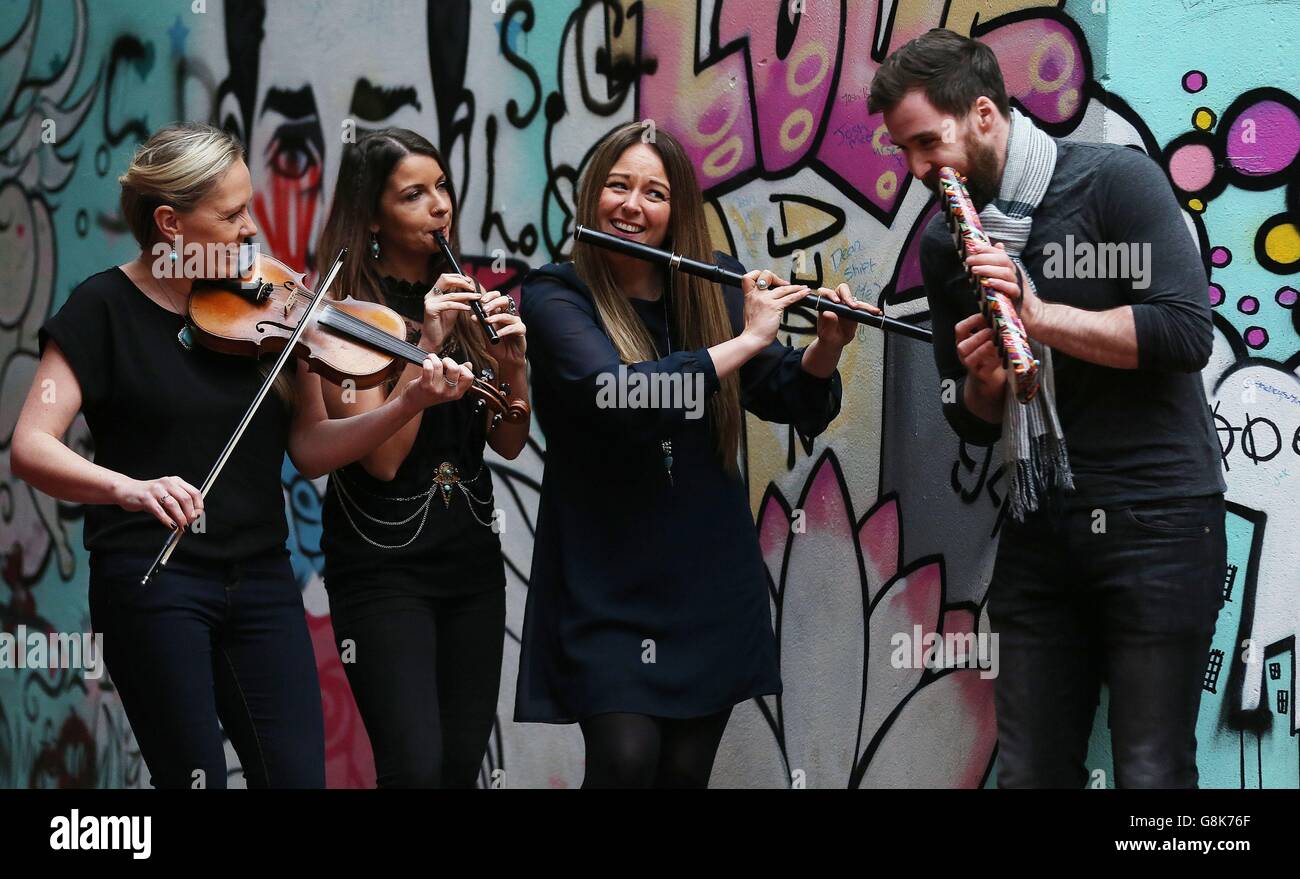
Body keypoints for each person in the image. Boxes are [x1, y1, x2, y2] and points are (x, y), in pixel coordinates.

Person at [10, 122, 471, 789]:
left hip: (260, 579)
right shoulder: (102, 309)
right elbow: (30, 446)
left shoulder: (274, 311)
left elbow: (311, 449)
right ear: (170, 222)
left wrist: (406, 404)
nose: (250, 230)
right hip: (154, 579)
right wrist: (129, 488)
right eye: (230, 215)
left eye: (249, 208)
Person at [871, 29, 1226, 787]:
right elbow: (967, 418)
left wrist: (1038, 315)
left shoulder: (1111, 183)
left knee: (1153, 771)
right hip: (1039, 526)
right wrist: (984, 382)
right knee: (1029, 772)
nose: (919, 170)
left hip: (1157, 516)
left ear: (985, 115)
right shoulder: (946, 247)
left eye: (929, 143)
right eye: (903, 152)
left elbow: (1184, 329)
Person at [514, 121, 875, 788]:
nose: (631, 205)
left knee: (682, 772)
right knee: (624, 759)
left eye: (654, 193)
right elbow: (614, 393)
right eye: (618, 185)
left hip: (705, 581)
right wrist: (743, 341)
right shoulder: (555, 294)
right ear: (593, 192)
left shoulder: (712, 285)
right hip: (605, 584)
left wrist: (827, 344)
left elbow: (791, 395)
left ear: (678, 211)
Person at [314, 128, 530, 788]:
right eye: (414, 194)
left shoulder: (464, 299)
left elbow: (507, 440)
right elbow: (380, 461)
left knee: (460, 768)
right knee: (415, 767)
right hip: (382, 570)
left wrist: (516, 372)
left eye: (442, 187)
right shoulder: (344, 315)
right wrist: (422, 346)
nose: (439, 206)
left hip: (469, 562)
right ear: (372, 214)